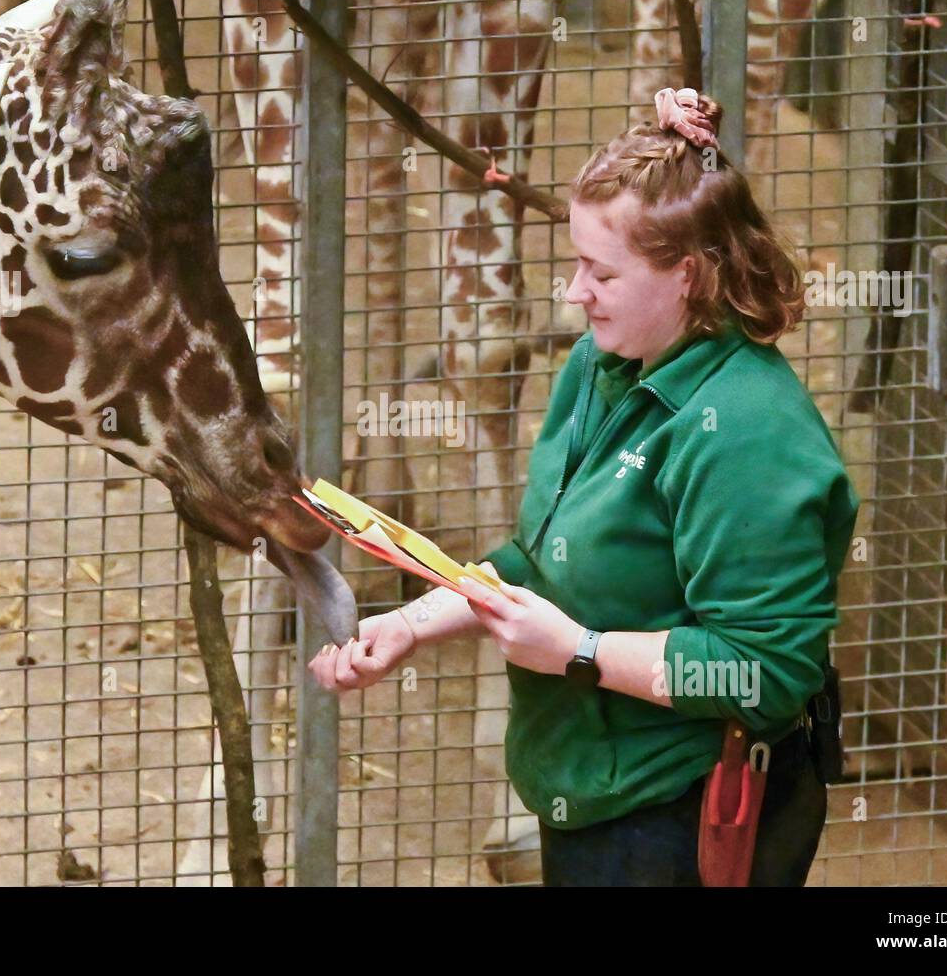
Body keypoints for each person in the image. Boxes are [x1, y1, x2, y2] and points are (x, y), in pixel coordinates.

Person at [308, 87, 861, 887]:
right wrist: (413, 624)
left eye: (601, 271)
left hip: (681, 815)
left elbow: (764, 674)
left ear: (689, 276)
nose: (573, 292)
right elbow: (543, 562)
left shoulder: (747, 432)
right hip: (592, 796)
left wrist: (581, 653)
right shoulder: (602, 366)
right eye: (575, 263)